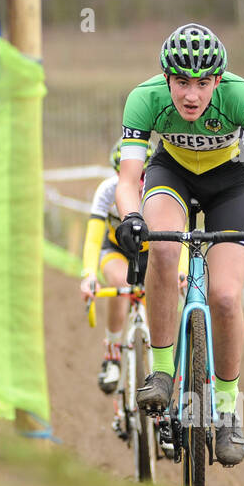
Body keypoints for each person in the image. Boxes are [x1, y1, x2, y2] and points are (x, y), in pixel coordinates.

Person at [112, 24, 244, 467]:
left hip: (229, 185)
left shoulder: (242, 97)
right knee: (164, 249)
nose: (191, 95)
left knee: (226, 296)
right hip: (170, 173)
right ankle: (161, 369)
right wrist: (132, 217)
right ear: (166, 79)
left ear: (218, 81)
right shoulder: (144, 98)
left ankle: (227, 410)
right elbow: (125, 178)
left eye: (202, 83)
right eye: (181, 83)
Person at [78, 138, 167, 393]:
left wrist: (181, 271)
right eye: (125, 173)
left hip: (151, 256)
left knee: (165, 297)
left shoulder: (161, 191)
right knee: (120, 282)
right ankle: (113, 355)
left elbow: (178, 231)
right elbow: (94, 237)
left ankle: (163, 366)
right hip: (116, 251)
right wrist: (88, 275)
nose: (136, 182)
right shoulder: (107, 191)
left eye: (143, 174)